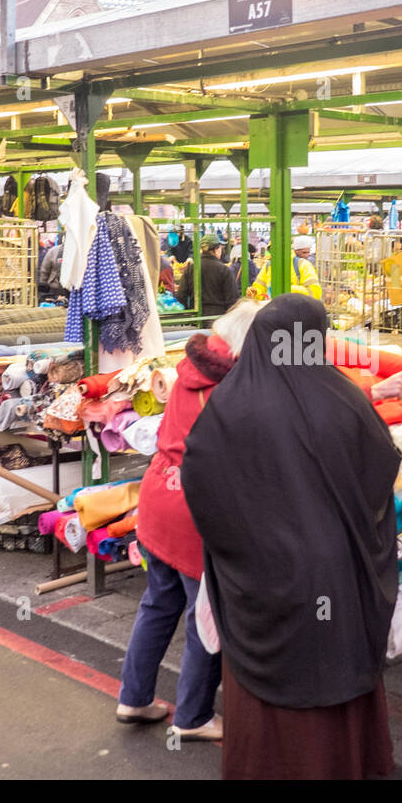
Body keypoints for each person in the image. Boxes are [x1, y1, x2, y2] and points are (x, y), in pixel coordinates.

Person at [181, 295, 401, 780]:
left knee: (264, 705)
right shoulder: (340, 397)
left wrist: (240, 545)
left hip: (257, 582)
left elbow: (198, 478)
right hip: (334, 574)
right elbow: (381, 466)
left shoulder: (230, 404)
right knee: (333, 676)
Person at [115, 300, 264, 741]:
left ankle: (134, 697)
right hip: (195, 510)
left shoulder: (187, 370)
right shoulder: (236, 384)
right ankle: (194, 716)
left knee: (159, 603)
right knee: (207, 614)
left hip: (160, 493)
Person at [177, 234, 239, 317]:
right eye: (221, 247)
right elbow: (232, 299)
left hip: (196, 318)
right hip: (217, 319)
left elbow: (181, 296)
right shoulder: (224, 270)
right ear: (216, 249)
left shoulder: (191, 269)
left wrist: (188, 314)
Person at [248, 237, 322, 299]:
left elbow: (315, 292)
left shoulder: (303, 265)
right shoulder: (268, 266)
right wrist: (255, 292)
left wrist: (287, 289)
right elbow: (260, 288)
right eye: (272, 249)